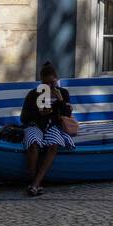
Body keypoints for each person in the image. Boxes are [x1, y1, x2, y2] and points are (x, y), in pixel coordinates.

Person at [20, 62, 75, 197]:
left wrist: (61, 100)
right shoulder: (34, 94)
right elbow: (23, 118)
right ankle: (35, 183)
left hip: (53, 126)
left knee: (53, 145)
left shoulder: (63, 93)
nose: (49, 86)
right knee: (33, 143)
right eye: (46, 83)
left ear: (56, 79)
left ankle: (34, 184)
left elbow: (67, 115)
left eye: (52, 82)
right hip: (35, 125)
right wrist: (39, 113)